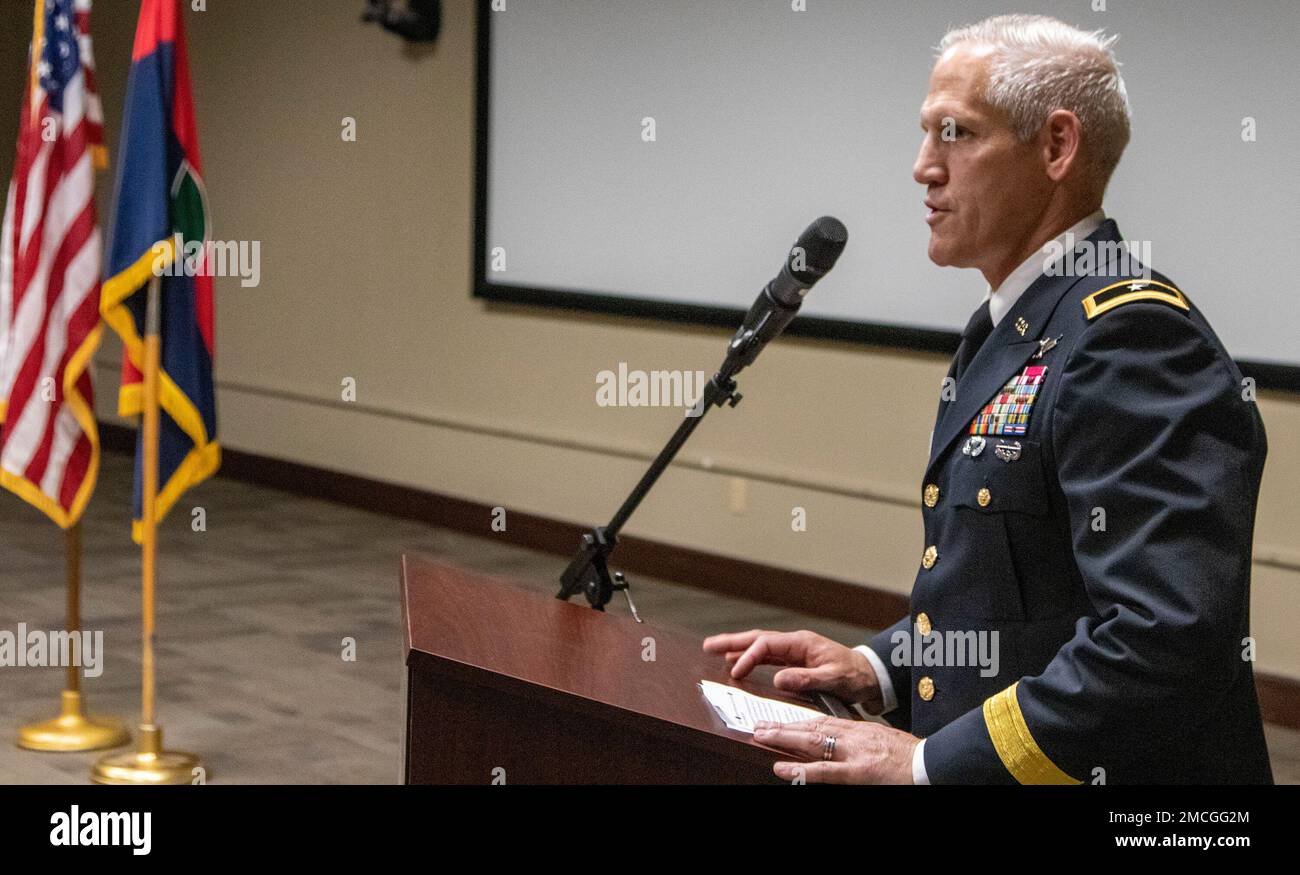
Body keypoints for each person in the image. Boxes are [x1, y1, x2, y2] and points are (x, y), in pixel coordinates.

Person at [703, 14, 1272, 785]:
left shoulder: (1131, 339)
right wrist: (882, 665)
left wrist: (931, 764)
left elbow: (1161, 640)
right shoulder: (1014, 324)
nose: (921, 168)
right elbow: (1018, 599)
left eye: (955, 133)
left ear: (1057, 147)